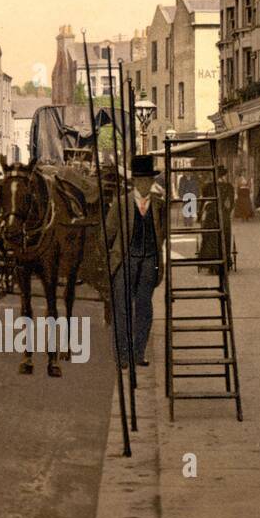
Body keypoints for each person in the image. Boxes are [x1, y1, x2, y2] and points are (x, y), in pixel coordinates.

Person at [108, 154, 165, 368]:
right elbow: (109, 232)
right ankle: (122, 356)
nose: (145, 184)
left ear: (152, 182)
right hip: (126, 261)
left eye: (148, 180)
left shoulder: (159, 205)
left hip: (149, 261)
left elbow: (162, 233)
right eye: (141, 180)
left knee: (144, 308)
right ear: (134, 182)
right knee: (122, 309)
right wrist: (111, 260)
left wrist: (155, 254)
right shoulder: (121, 204)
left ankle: (138, 353)